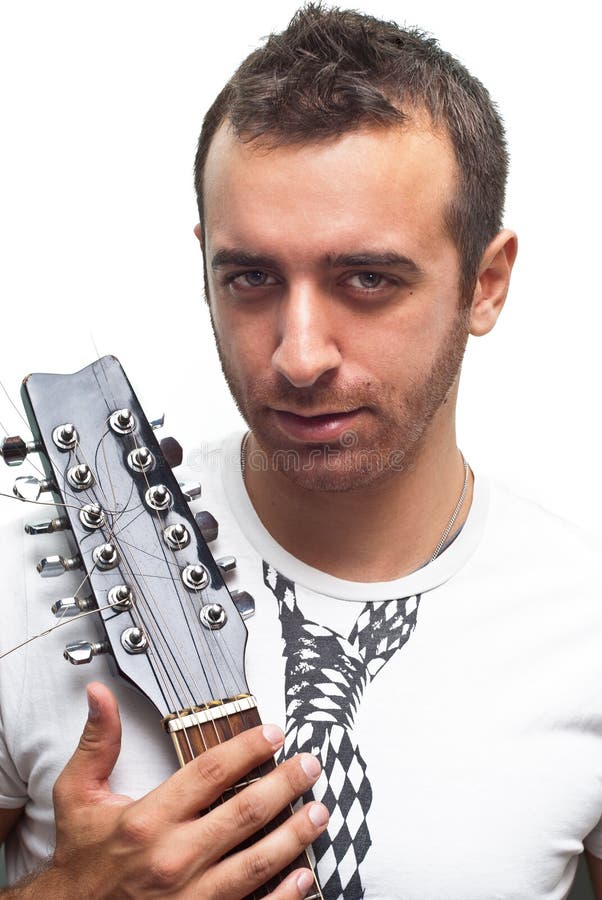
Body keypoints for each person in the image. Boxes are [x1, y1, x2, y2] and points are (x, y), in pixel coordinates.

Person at [1, 3, 602, 898]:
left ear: (485, 282)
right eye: (252, 277)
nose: (299, 354)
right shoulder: (17, 588)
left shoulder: (583, 620)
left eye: (368, 279)